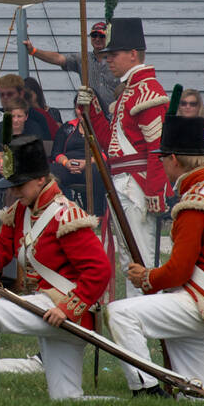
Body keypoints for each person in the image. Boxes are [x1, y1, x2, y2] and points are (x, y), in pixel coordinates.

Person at [0, 135, 109, 400]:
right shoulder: (21, 210)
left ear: (41, 179)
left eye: (20, 184)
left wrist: (66, 308)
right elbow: (2, 247)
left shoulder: (65, 214)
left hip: (63, 310)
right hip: (44, 307)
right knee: (67, 400)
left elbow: (100, 270)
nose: (15, 191)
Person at [108, 100, 204, 396]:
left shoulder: (193, 204)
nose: (161, 164)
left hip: (195, 304)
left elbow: (179, 270)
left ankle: (146, 389)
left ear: (174, 159)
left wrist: (147, 278)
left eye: (163, 158)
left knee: (118, 313)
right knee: (197, 396)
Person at [78, 16, 168, 300]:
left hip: (137, 185)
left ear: (133, 54)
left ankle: (142, 314)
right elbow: (110, 143)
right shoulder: (128, 92)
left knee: (140, 258)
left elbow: (158, 148)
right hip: (122, 180)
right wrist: (92, 108)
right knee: (129, 258)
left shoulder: (147, 91)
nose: (107, 60)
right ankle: (134, 318)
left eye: (113, 54)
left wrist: (155, 191)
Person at [24, 21, 121, 114]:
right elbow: (58, 58)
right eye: (94, 35)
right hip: (91, 114)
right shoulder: (83, 59)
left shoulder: (117, 60)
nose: (97, 39)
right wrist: (33, 51)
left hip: (114, 114)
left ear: (108, 38)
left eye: (102, 36)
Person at [48, 114, 105, 216]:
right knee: (51, 172)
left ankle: (96, 215)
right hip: (68, 165)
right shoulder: (68, 127)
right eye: (79, 107)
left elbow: (106, 154)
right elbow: (56, 153)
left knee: (97, 171)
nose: (82, 111)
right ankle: (65, 213)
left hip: (92, 163)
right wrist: (66, 163)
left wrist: (87, 162)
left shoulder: (102, 127)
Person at [0, 74, 52, 139]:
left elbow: (46, 145)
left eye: (10, 94)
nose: (5, 98)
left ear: (21, 94)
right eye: (2, 95)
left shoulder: (37, 118)